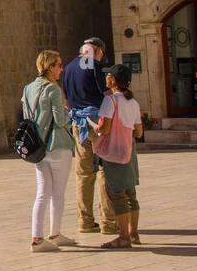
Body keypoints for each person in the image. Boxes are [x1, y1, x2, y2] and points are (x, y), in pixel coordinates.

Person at [62, 37, 117, 237]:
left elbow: (66, 100)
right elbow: (107, 94)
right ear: (98, 51)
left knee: (84, 173)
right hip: (98, 123)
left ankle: (85, 221)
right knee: (105, 170)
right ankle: (108, 222)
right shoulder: (94, 65)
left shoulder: (67, 68)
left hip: (78, 123)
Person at [25, 50, 79, 253]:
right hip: (58, 145)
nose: (61, 69)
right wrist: (70, 112)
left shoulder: (29, 88)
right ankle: (54, 233)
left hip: (38, 147)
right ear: (49, 67)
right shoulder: (53, 90)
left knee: (42, 193)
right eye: (58, 65)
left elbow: (28, 116)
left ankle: (37, 237)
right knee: (58, 192)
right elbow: (60, 120)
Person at [91, 64, 145, 250]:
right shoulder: (134, 102)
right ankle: (134, 233)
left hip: (114, 152)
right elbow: (138, 132)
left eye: (108, 75)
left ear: (113, 80)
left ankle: (123, 237)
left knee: (117, 195)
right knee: (131, 193)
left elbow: (104, 128)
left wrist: (94, 127)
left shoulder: (110, 100)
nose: (106, 78)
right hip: (130, 151)